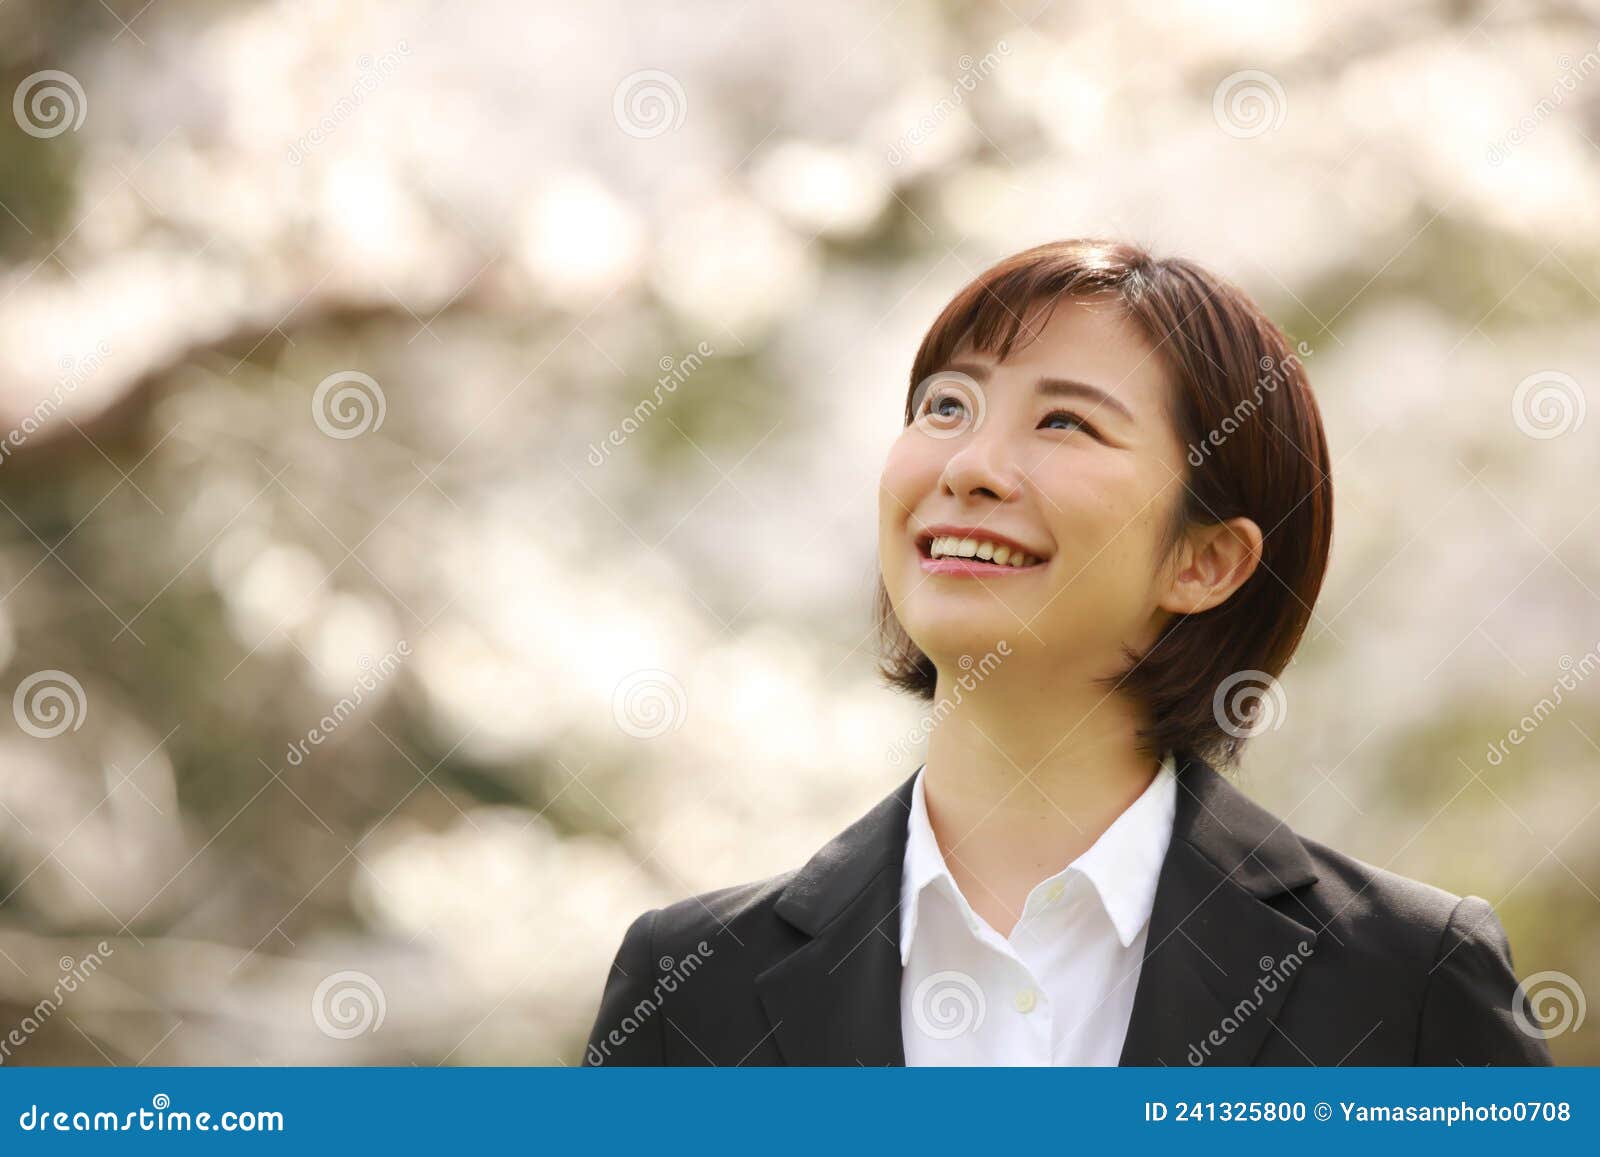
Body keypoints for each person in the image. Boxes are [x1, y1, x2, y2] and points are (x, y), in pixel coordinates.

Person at [582, 239, 1552, 1067]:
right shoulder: (689, 987)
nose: (967, 467)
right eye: (945, 406)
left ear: (1204, 559)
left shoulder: (1402, 981)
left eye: (1062, 421)